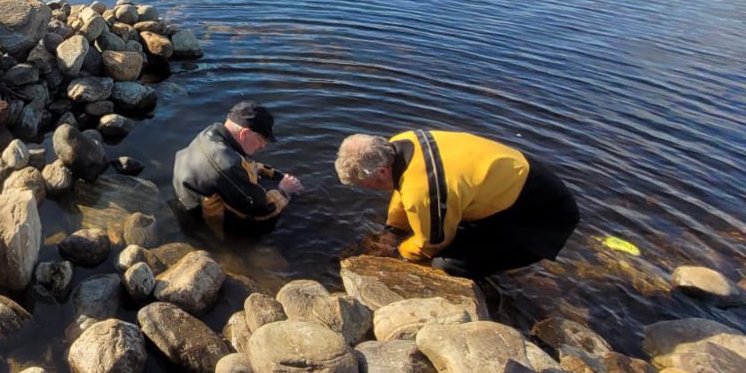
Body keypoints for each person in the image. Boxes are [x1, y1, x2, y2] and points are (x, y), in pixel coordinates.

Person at [334, 130, 580, 279]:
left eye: (363, 184)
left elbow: (430, 243)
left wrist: (397, 255)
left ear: (382, 171)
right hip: (514, 179)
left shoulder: (423, 189)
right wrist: (394, 230)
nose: (364, 188)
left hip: (539, 215)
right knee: (438, 222)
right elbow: (403, 192)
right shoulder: (399, 144)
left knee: (446, 264)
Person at [173, 101, 304, 235]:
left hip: (189, 198)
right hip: (206, 222)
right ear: (245, 133)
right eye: (261, 140)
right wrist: (284, 190)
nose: (263, 146)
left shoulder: (211, 133)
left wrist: (275, 174)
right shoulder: (227, 165)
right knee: (272, 219)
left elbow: (239, 163)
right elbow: (262, 208)